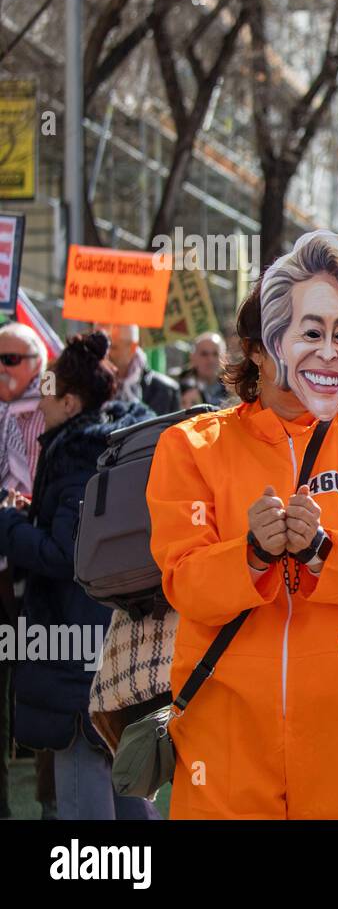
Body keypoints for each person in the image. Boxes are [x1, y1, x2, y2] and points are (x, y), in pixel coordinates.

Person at [145, 231, 338, 819]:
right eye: (303, 333)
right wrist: (249, 556)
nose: (323, 352)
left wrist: (324, 550)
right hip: (228, 723)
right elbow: (183, 581)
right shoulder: (191, 445)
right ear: (255, 349)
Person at [1, 332, 156, 819]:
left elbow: (66, 554)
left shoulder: (73, 455)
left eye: (47, 394)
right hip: (114, 640)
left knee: (84, 797)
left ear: (69, 401)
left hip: (75, 647)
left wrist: (7, 524)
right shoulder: (113, 443)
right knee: (127, 784)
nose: (39, 405)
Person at [0, 322, 47, 817]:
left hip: (39, 566)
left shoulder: (52, 408)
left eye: (10, 360)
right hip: (2, 571)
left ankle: (51, 800)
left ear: (37, 364)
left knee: (42, 687)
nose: (2, 370)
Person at [96, 323, 181, 416]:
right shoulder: (89, 384)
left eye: (113, 347)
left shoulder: (165, 391)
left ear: (132, 348)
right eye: (103, 348)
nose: (106, 354)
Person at [189, 331, 227, 405]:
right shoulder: (178, 387)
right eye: (204, 354)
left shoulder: (236, 390)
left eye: (215, 354)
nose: (210, 360)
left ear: (224, 358)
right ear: (192, 357)